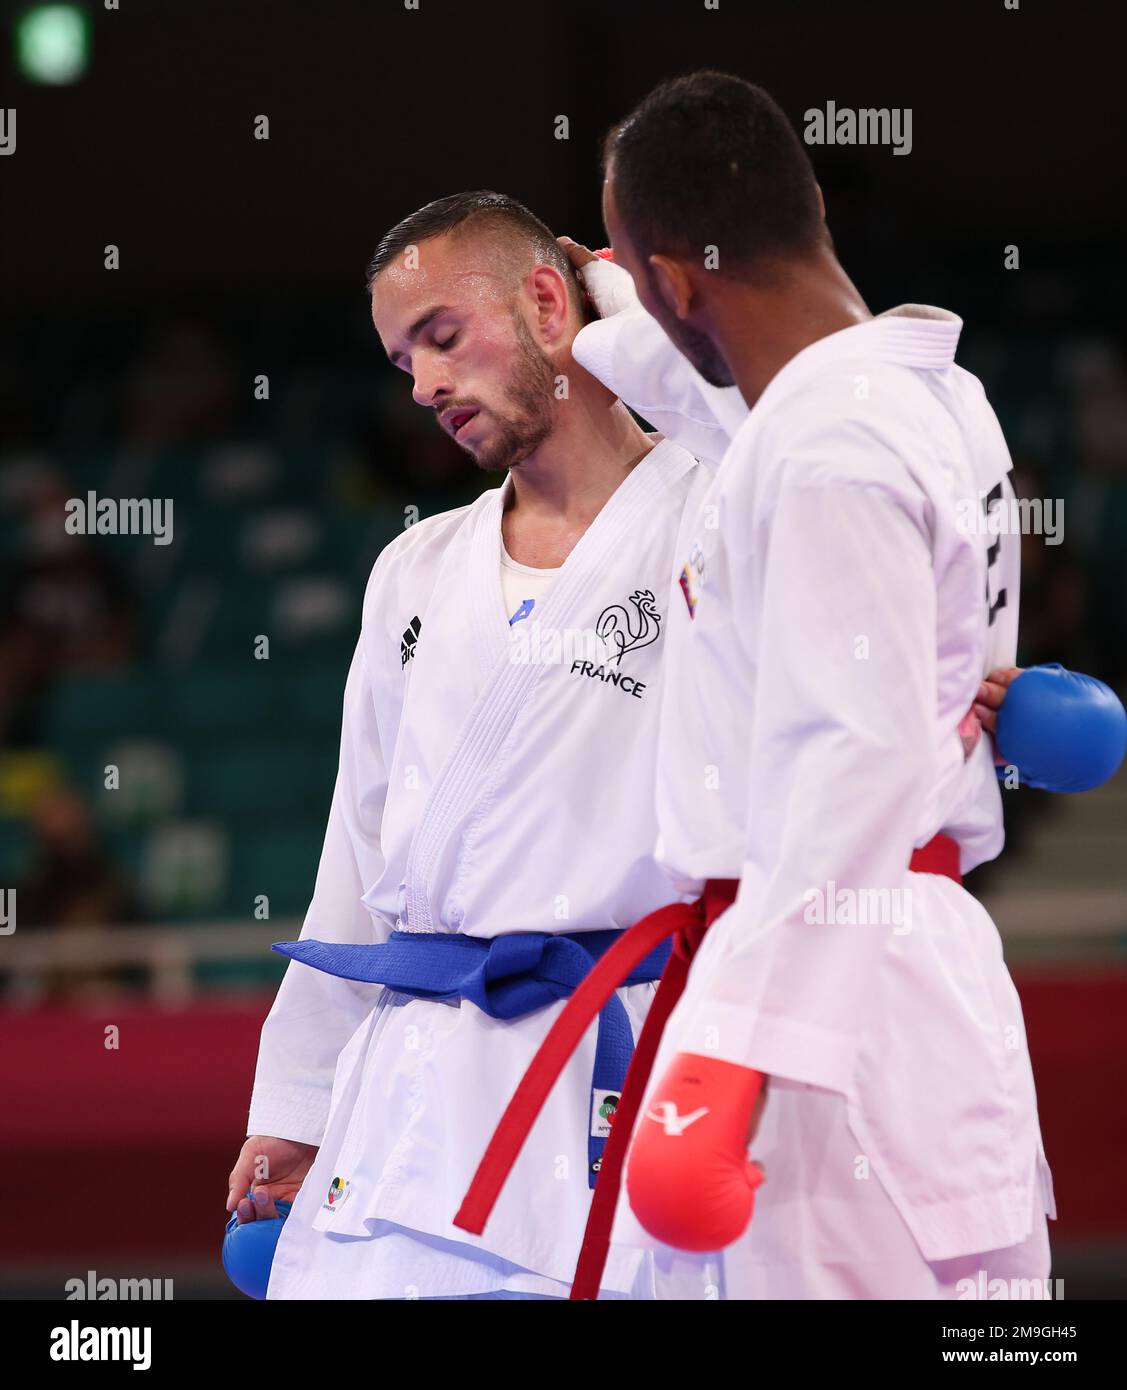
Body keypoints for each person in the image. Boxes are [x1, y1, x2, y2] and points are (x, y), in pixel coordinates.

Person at [581, 70, 1061, 1298]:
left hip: (824, 1001)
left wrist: (733, 1048)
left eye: (651, 285)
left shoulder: (823, 450)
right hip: (912, 971)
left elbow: (850, 756)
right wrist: (593, 299)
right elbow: (722, 393)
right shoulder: (918, 394)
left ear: (682, 280)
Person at [225, 191, 719, 1300]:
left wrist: (635, 329)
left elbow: (799, 447)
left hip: (629, 1056)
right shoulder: (415, 568)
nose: (423, 386)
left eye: (441, 338)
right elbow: (357, 855)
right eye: (403, 361)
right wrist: (296, 1102)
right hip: (415, 1076)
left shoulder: (716, 514)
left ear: (551, 301)